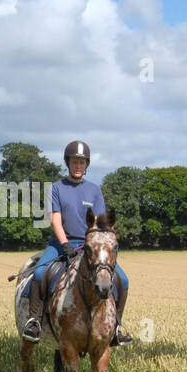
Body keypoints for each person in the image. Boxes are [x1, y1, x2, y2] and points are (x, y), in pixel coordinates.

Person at [23, 140, 132, 345]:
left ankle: (116, 326)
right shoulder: (57, 188)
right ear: (68, 163)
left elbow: (100, 224)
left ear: (87, 165)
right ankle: (34, 321)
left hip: (90, 246)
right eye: (75, 162)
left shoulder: (94, 190)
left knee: (123, 280)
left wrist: (96, 244)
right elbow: (55, 219)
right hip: (61, 244)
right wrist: (64, 244)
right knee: (39, 273)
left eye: (82, 163)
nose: (78, 166)